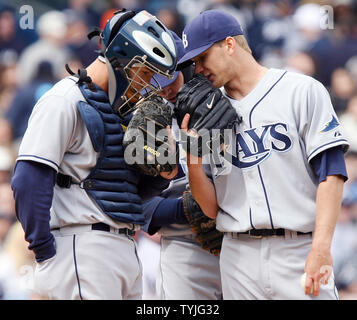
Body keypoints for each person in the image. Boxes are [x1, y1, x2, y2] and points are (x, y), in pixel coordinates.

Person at [177, 9, 349, 300]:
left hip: (298, 248)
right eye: (193, 62)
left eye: (202, 57)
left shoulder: (301, 90)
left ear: (229, 45)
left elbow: (331, 174)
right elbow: (211, 209)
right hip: (237, 255)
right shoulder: (205, 114)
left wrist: (321, 246)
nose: (199, 69)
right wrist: (194, 162)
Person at [11, 9, 177, 300]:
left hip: (124, 246)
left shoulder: (125, 114)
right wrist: (44, 248)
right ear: (123, 59)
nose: (147, 83)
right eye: (146, 71)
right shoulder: (65, 98)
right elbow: (28, 178)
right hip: (82, 246)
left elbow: (128, 194)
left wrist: (165, 169)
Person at [141, 31, 222, 300]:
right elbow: (139, 207)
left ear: (186, 66)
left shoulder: (220, 105)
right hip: (182, 248)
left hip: (237, 242)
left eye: (169, 78)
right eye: (156, 82)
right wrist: (183, 209)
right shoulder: (146, 121)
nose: (165, 89)